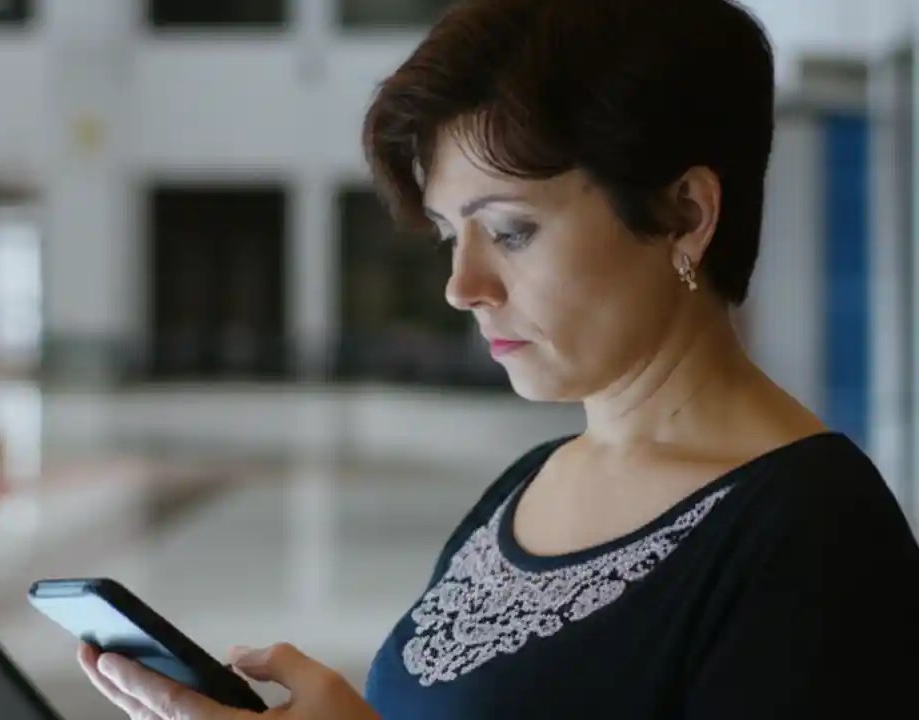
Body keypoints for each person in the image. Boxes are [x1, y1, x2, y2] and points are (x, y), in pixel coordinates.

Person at [77, 0, 919, 717]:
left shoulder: (815, 534)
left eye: (510, 231)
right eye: (451, 237)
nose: (462, 285)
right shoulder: (526, 485)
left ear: (685, 213)